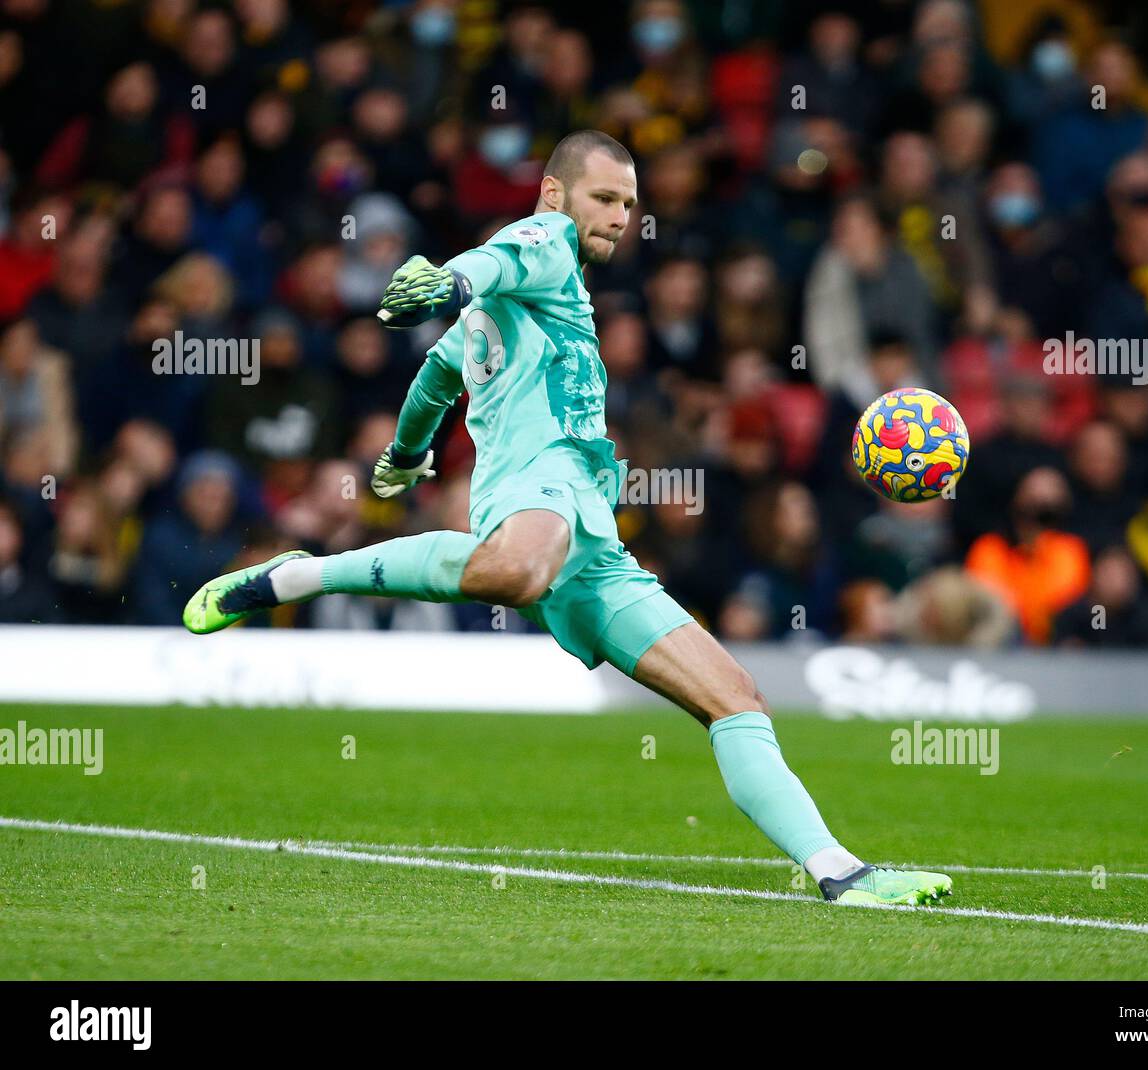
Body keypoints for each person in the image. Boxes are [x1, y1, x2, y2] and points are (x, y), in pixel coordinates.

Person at [182, 130, 950, 908]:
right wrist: (447, 281)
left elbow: (434, 379)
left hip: (592, 535)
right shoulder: (544, 242)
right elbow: (500, 256)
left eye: (629, 204)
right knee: (515, 570)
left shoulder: (517, 309)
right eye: (605, 198)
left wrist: (407, 457)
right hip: (532, 491)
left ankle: (839, 872)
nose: (620, 216)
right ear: (556, 194)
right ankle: (299, 574)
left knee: (735, 697)